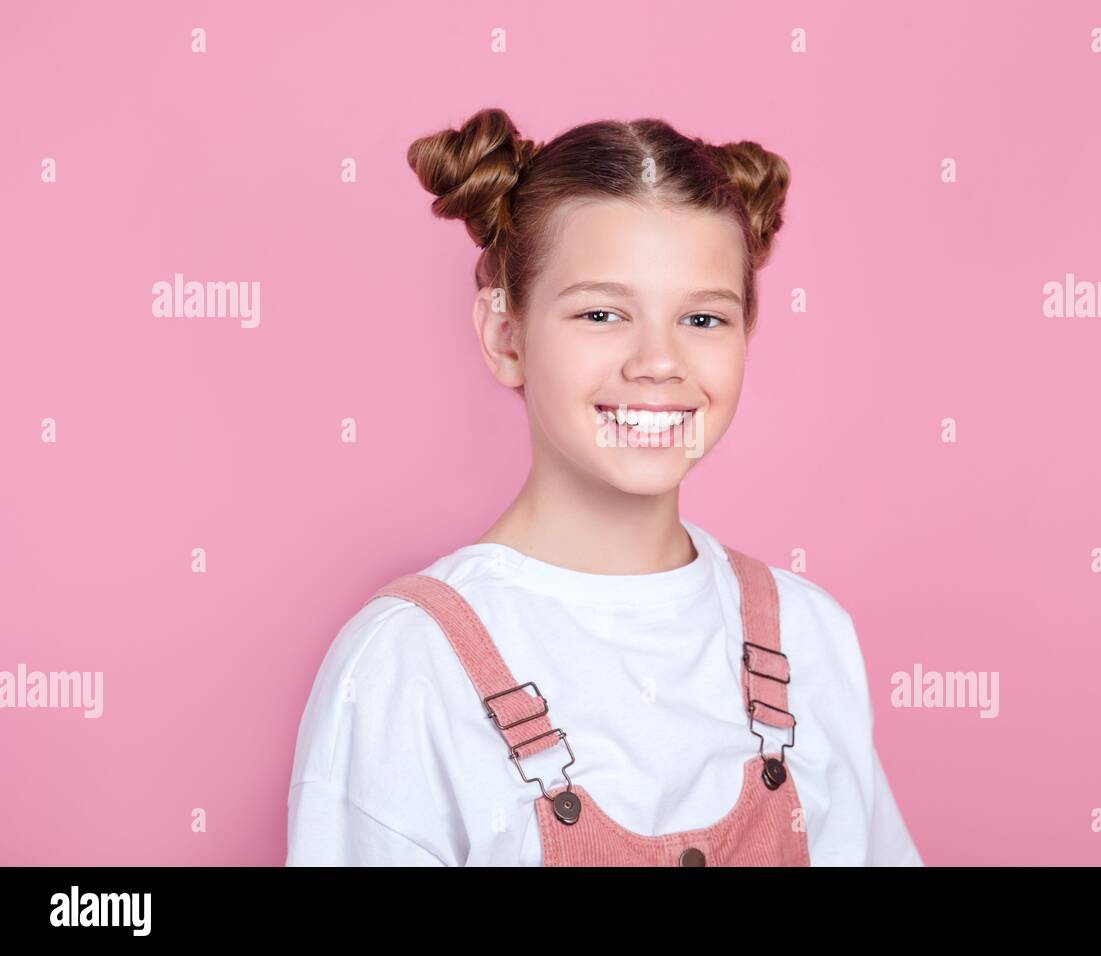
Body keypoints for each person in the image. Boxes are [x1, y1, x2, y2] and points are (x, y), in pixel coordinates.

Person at [285, 108, 922, 866]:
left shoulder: (811, 637)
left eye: (702, 318)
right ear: (505, 335)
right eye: (601, 313)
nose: (659, 361)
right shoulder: (408, 664)